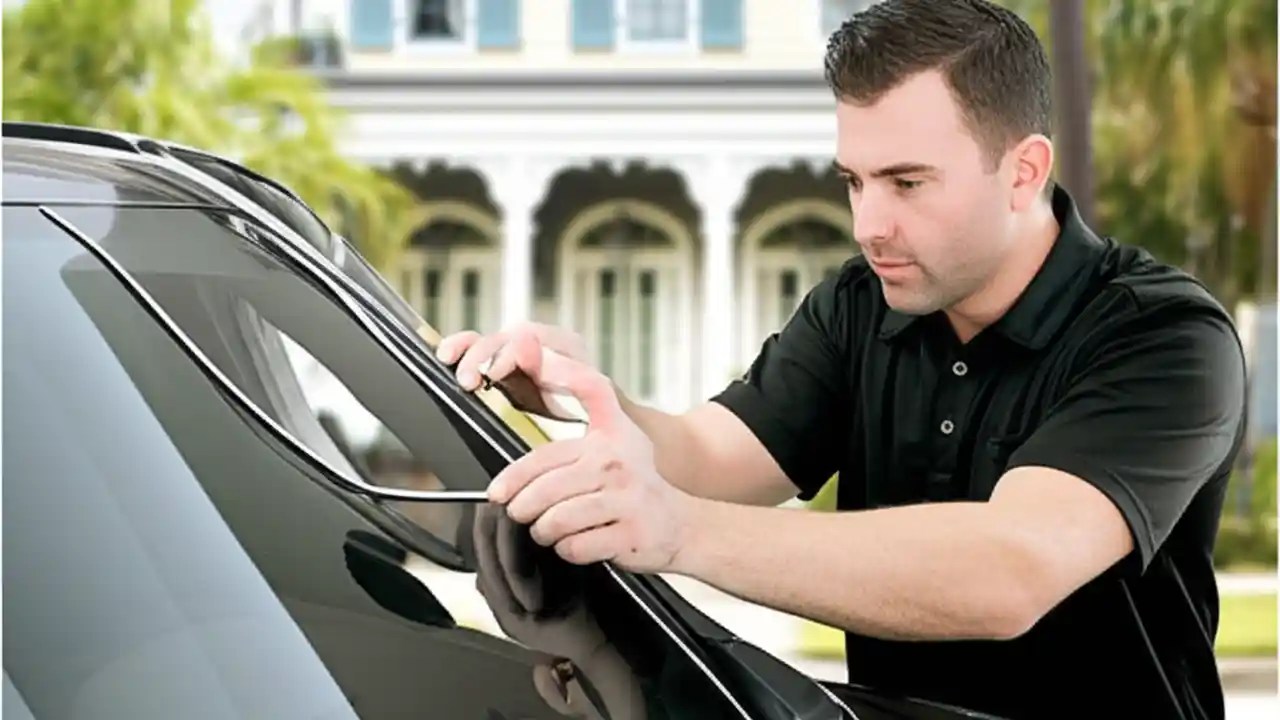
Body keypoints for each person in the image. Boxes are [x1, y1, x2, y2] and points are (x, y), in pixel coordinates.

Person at [436, 1, 1248, 717]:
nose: (869, 224)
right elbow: (716, 456)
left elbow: (1009, 570)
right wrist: (582, 394)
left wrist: (676, 531)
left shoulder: (1165, 337)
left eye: (907, 182)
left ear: (1023, 171)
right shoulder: (863, 304)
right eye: (855, 182)